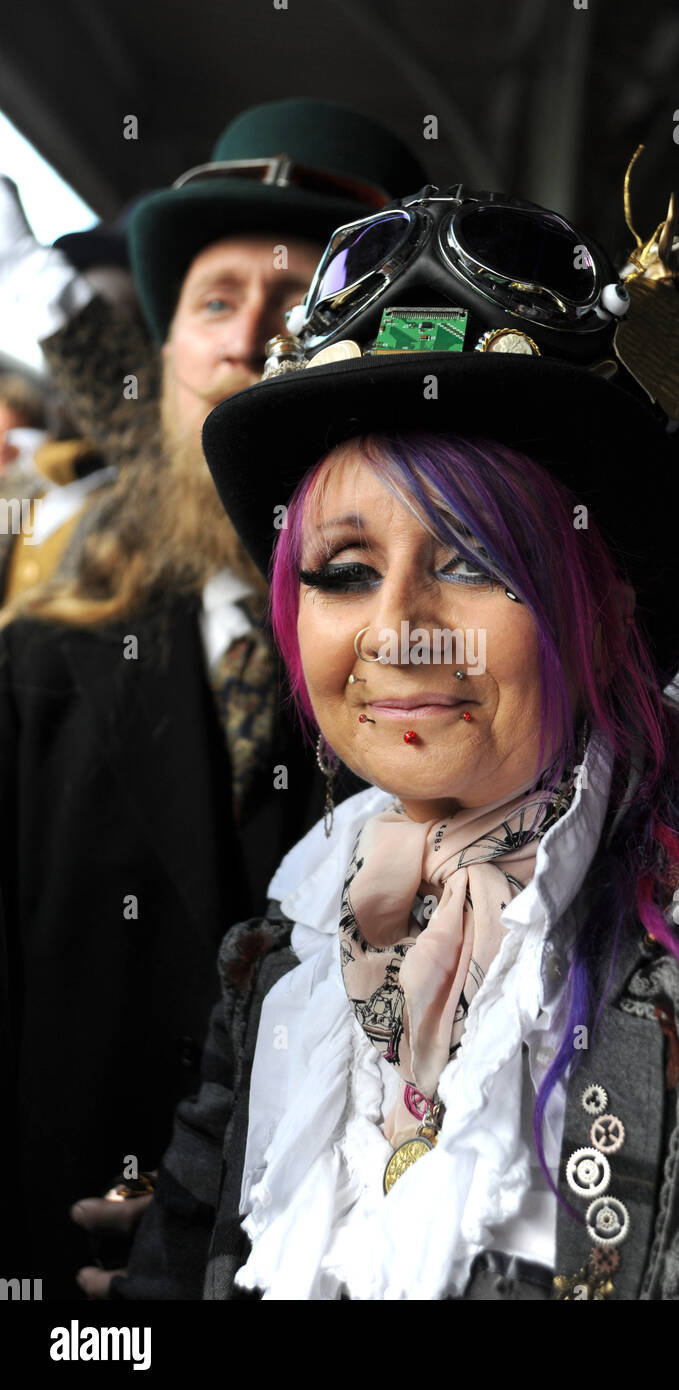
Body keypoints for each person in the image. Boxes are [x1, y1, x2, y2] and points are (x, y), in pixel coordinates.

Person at [95, 184, 679, 1301]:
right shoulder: (284, 954)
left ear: (601, 602)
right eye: (345, 571)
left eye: (471, 559)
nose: (399, 629)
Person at [0, 98, 426, 1297]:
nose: (247, 340)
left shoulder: (468, 697)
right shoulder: (38, 659)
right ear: (168, 354)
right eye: (214, 302)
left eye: (298, 304)